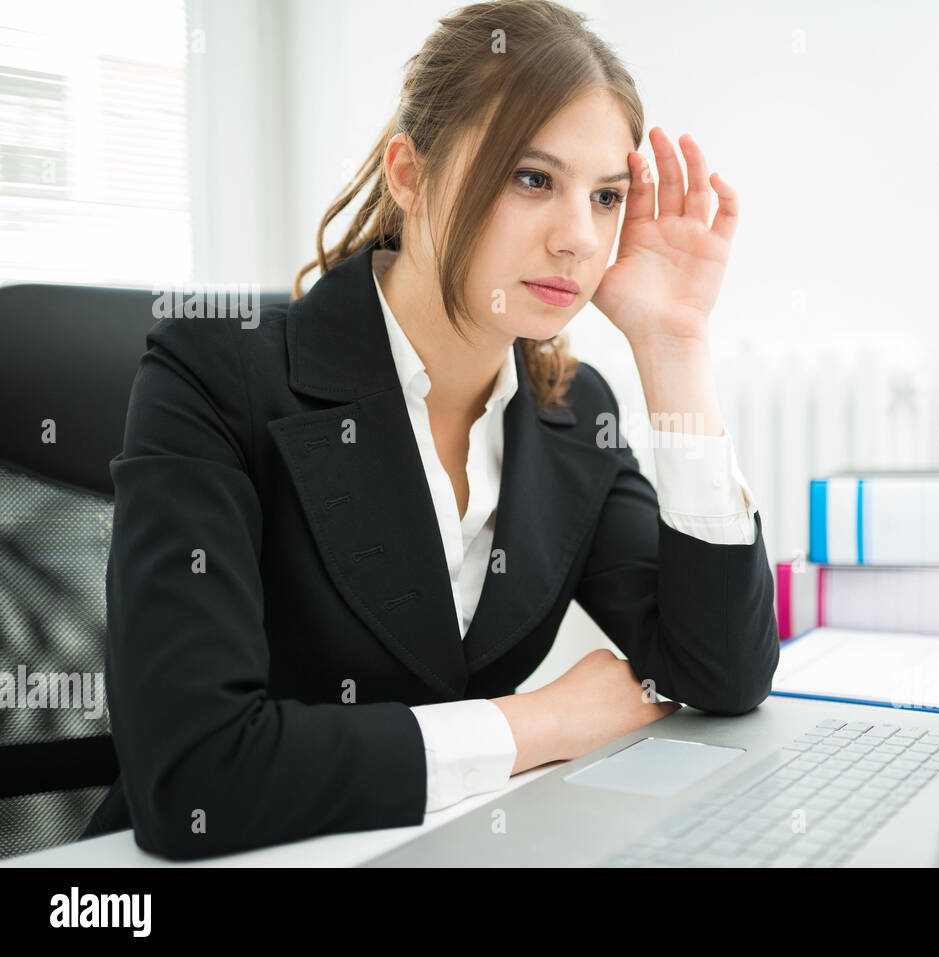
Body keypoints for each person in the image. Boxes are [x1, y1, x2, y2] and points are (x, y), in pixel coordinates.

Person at [81, 0, 778, 860]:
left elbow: (722, 672)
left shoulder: (571, 412)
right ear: (409, 175)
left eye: (606, 196)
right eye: (533, 178)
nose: (577, 237)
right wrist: (533, 723)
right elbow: (194, 772)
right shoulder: (215, 376)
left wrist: (675, 350)